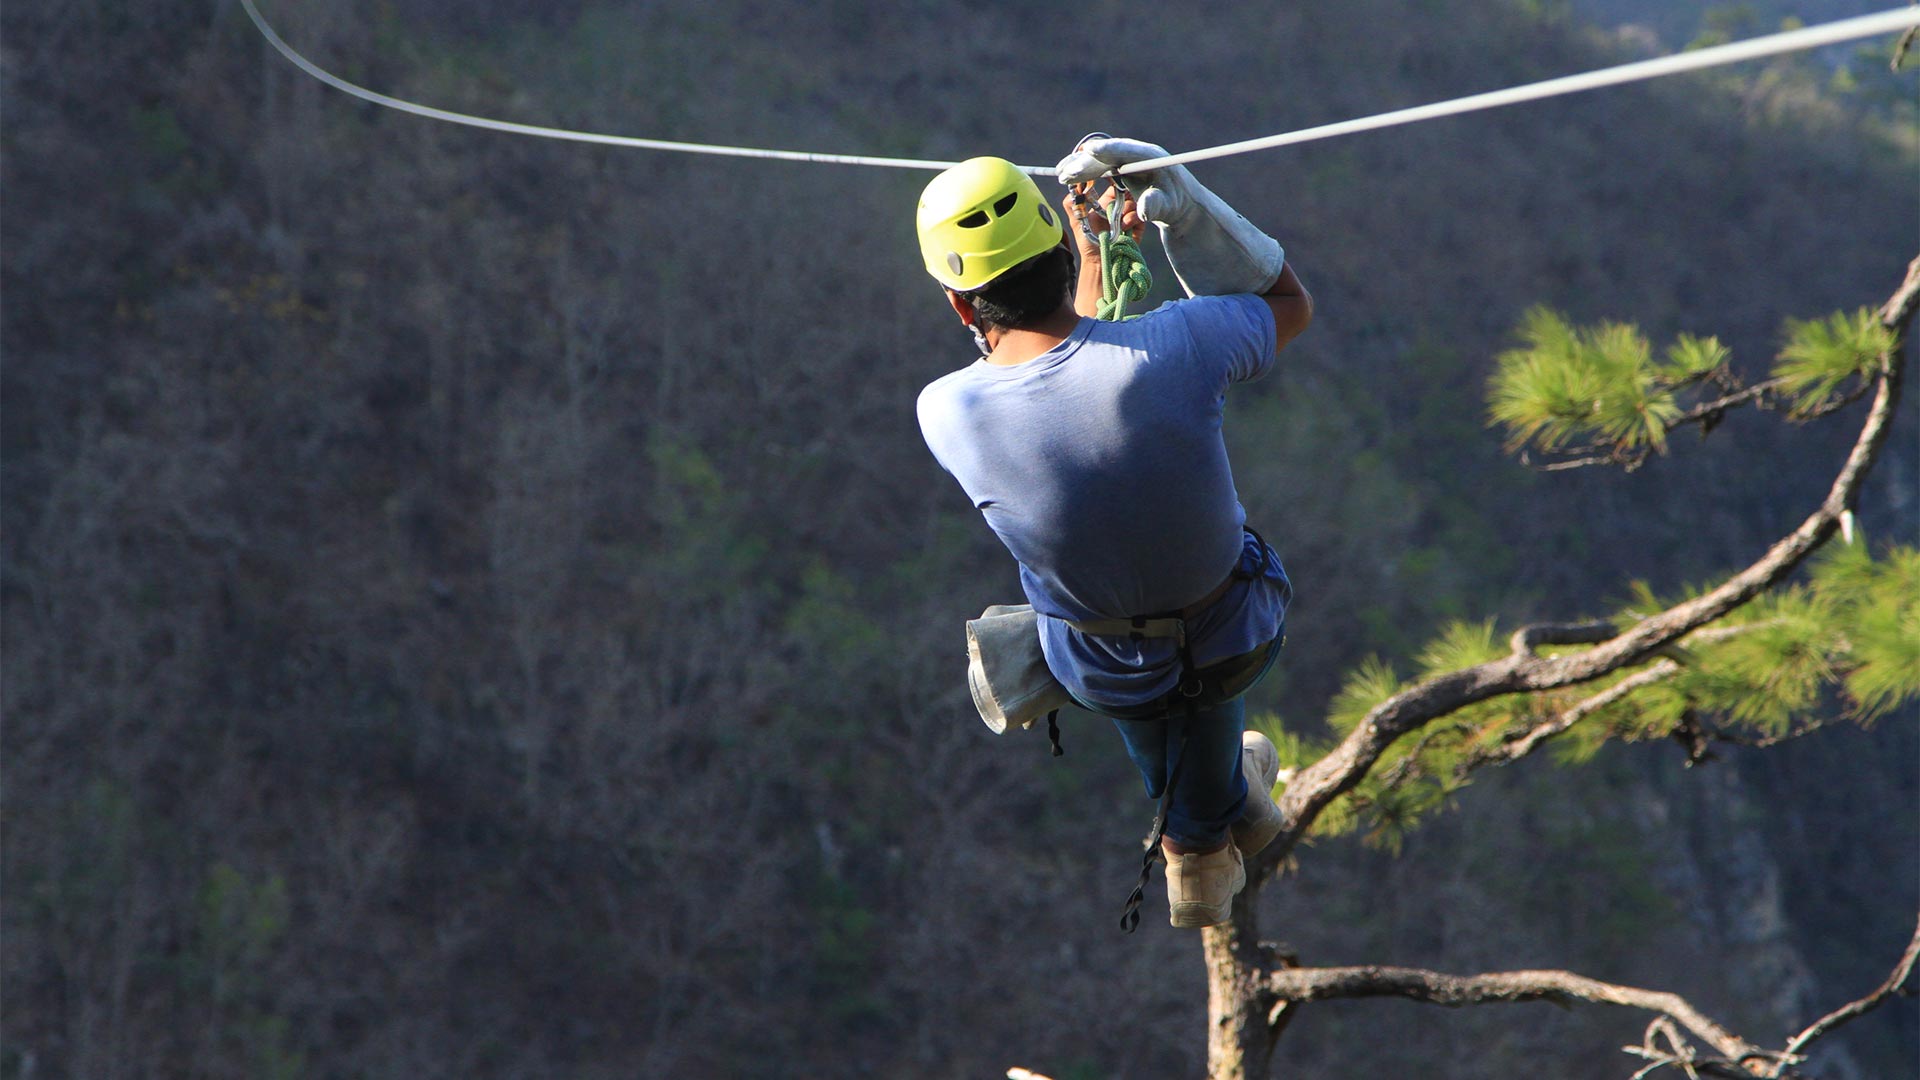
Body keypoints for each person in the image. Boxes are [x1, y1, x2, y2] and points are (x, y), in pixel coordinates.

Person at [914, 140, 1313, 928]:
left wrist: (1089, 257)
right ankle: (1203, 841)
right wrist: (1195, 216)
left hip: (1099, 662)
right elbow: (1289, 304)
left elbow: (1069, 381)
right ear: (1060, 253)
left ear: (963, 306)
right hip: (1238, 629)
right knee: (1201, 656)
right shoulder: (1178, 346)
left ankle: (1208, 830)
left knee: (1139, 664)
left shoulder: (945, 412)